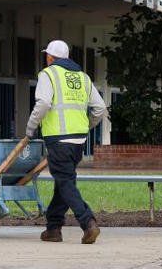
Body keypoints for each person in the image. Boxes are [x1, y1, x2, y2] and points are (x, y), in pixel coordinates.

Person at [26, 40, 107, 244]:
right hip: (79, 140)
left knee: (65, 182)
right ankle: (53, 229)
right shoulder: (83, 77)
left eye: (47, 56)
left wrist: (30, 128)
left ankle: (88, 222)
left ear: (50, 58)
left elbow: (43, 103)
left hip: (58, 139)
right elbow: (100, 109)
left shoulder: (48, 74)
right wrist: (86, 125)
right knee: (63, 182)